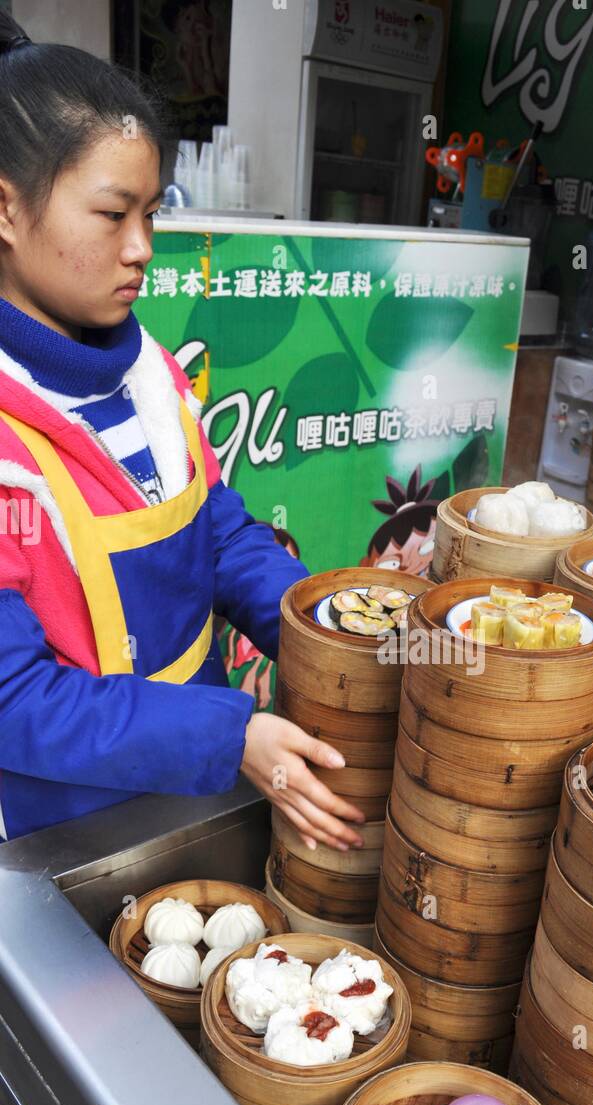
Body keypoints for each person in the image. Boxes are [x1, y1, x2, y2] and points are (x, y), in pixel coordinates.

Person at [0, 18, 364, 854]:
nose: (141, 249)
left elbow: (217, 526)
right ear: (6, 209)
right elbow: (13, 701)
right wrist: (228, 736)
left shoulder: (151, 375)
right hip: (60, 831)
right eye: (111, 214)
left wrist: (316, 630)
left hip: (189, 791)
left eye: (152, 213)